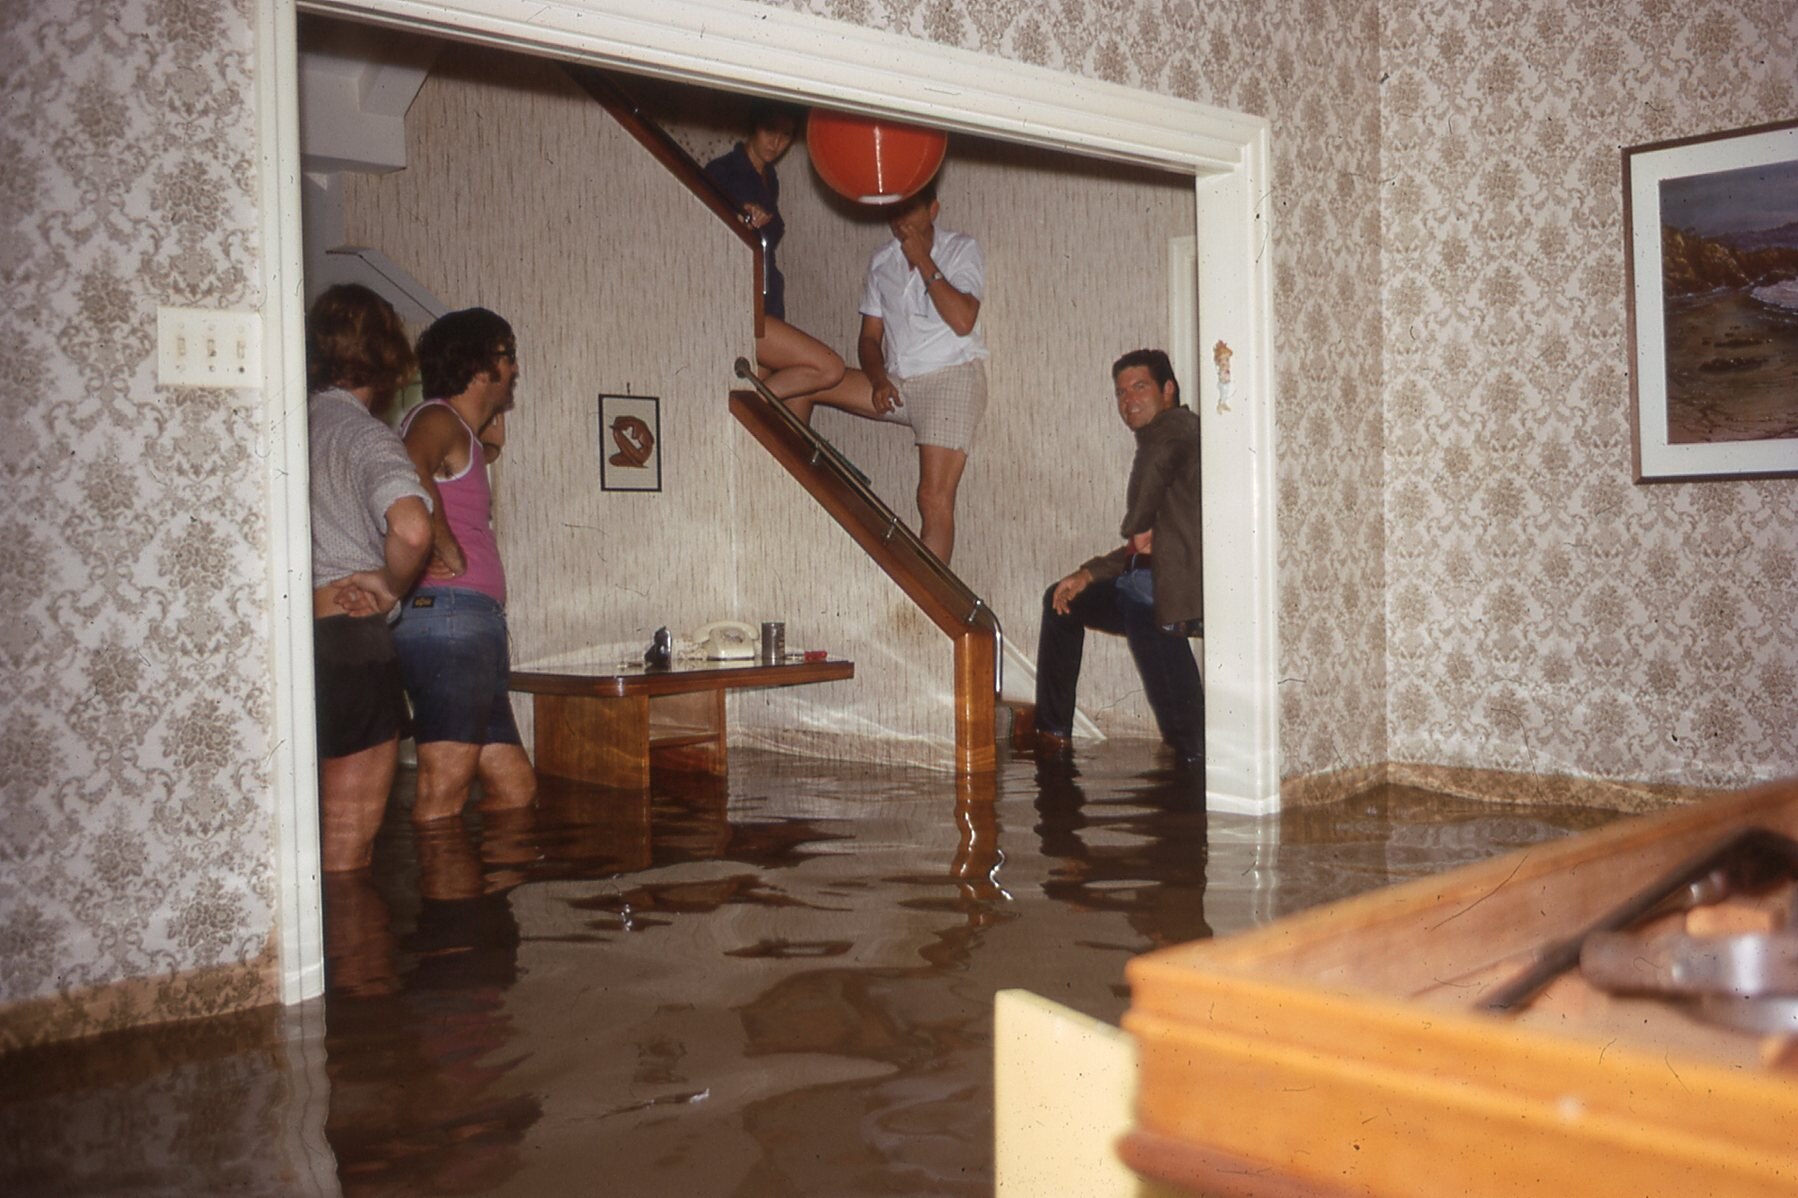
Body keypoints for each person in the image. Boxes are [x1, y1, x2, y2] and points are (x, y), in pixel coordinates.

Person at [789, 179, 988, 564]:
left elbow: (964, 320)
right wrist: (879, 379)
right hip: (897, 381)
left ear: (933, 210)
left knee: (932, 497)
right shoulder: (882, 261)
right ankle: (792, 477)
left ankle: (931, 608)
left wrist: (925, 261)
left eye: (910, 209)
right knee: (811, 379)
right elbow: (869, 339)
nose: (900, 220)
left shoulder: (962, 249)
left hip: (951, 379)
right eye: (894, 210)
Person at [305, 284, 435, 871]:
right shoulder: (363, 434)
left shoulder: (277, 428)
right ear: (387, 358)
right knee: (347, 854)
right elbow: (412, 529)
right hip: (349, 635)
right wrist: (390, 585)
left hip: (285, 643)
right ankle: (357, 967)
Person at [394, 308, 538, 823]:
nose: (516, 369)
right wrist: (441, 541)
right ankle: (442, 905)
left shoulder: (462, 432)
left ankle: (481, 902)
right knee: (443, 789)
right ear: (481, 364)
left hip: (470, 623)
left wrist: (491, 421)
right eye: (508, 356)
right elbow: (407, 469)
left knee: (514, 788)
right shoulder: (436, 419)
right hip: (450, 620)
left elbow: (477, 454)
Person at [1035, 349, 1203, 768]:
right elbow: (1144, 546)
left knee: (1188, 738)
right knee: (1062, 601)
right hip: (1148, 582)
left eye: (1139, 386)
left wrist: (1138, 521)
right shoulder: (1166, 438)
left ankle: (1196, 778)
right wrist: (1088, 573)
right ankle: (1053, 735)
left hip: (1166, 592)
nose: (1128, 399)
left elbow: (1144, 524)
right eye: (1120, 392)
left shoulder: (1176, 429)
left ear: (1169, 389)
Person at [705, 100, 846, 402]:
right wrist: (740, 214)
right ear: (754, 125)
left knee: (781, 391)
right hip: (744, 304)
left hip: (770, 302)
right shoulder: (723, 171)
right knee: (829, 368)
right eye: (770, 130)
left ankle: (750, 404)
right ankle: (748, 403)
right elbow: (707, 228)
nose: (776, 142)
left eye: (786, 135)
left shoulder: (770, 178)